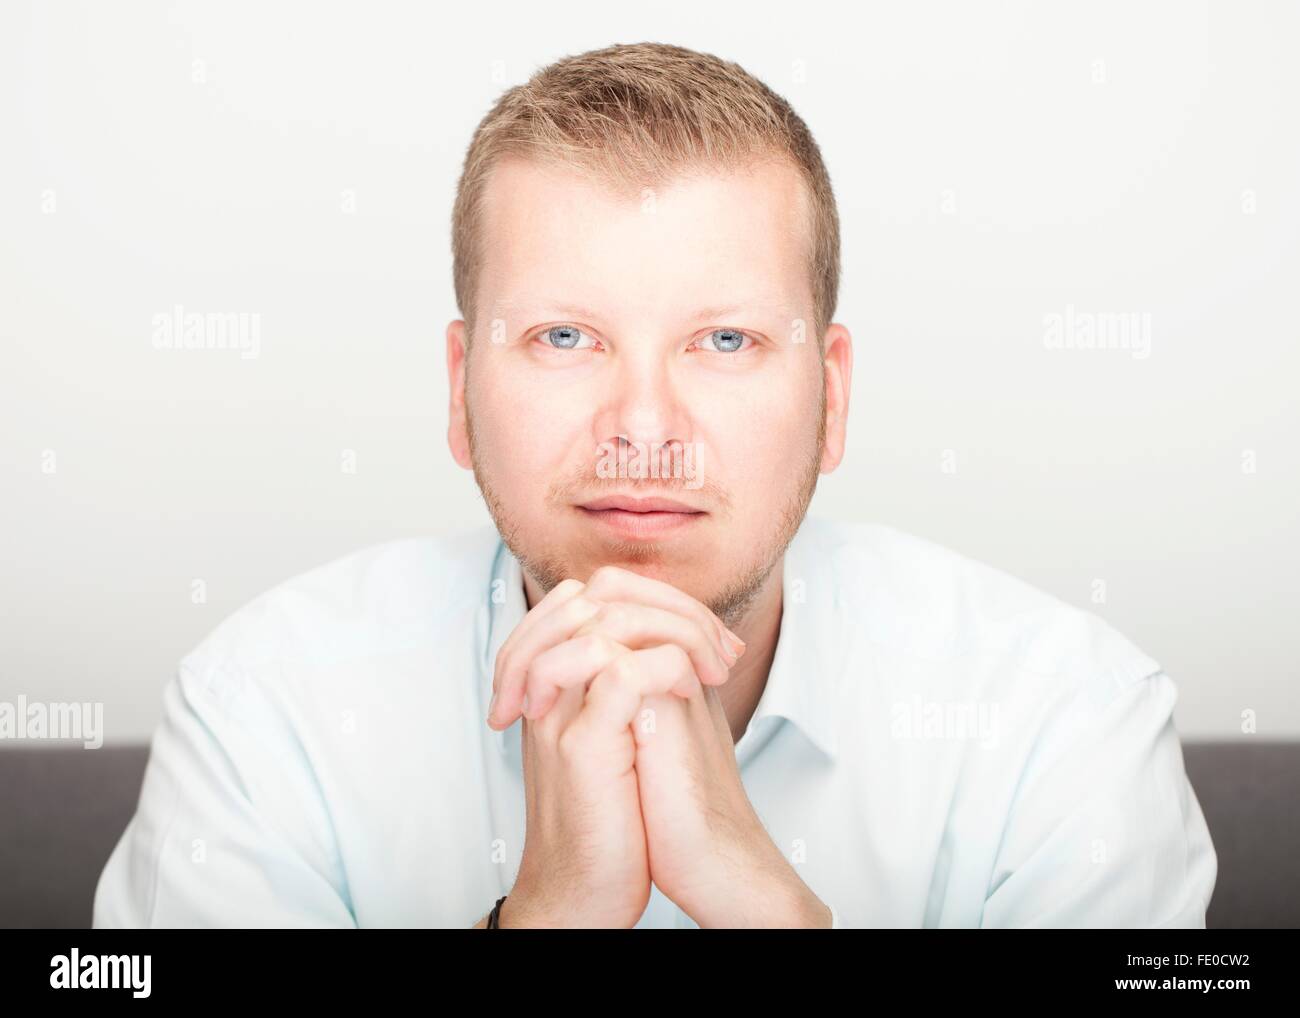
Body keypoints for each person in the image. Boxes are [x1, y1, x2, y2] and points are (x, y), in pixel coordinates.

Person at [93, 41, 1216, 929]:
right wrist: (539, 925)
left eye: (723, 342)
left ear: (830, 397)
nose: (642, 430)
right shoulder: (265, 718)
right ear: (458, 387)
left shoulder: (1064, 726)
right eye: (564, 335)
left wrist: (775, 919)